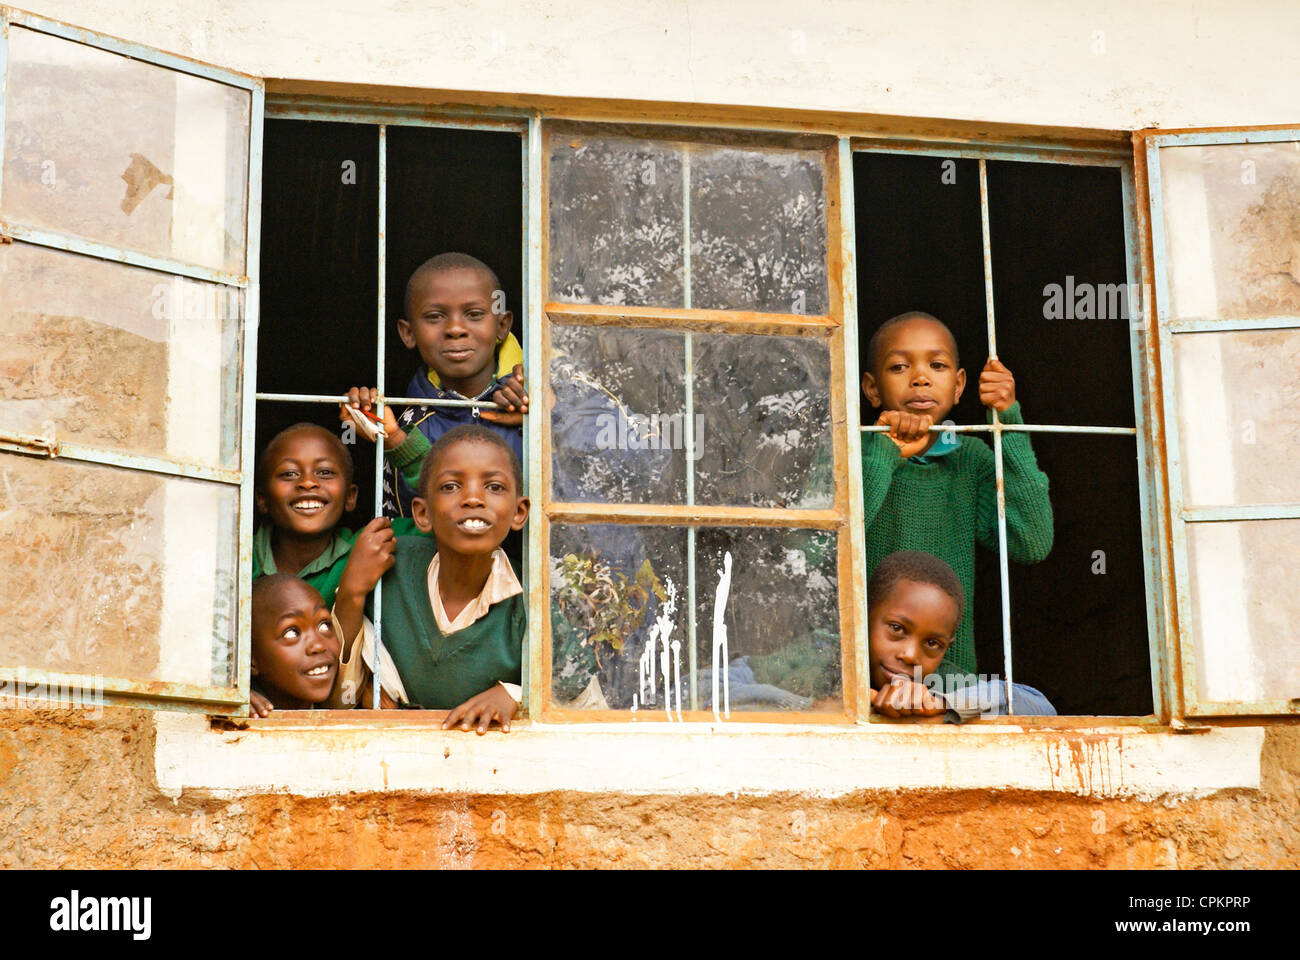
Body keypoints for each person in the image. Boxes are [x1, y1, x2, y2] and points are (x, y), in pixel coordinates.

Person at [861, 311, 1053, 678]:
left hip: (942, 677)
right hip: (847, 668)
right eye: (899, 367)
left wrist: (1007, 421)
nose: (920, 378)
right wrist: (881, 455)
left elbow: (1032, 541)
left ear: (959, 385)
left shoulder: (969, 461)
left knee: (1028, 705)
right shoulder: (851, 455)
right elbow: (817, 553)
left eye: (937, 365)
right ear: (871, 388)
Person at [333, 425, 529, 733]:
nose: (474, 498)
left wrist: (517, 695)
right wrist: (352, 593)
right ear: (422, 514)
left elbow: (570, 685)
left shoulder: (532, 596)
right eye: (451, 486)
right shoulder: (390, 569)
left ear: (519, 512)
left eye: (494, 487)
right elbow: (339, 699)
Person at [342, 252, 526, 521]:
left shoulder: (540, 399)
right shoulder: (408, 425)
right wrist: (395, 439)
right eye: (435, 316)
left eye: (474, 314)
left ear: (502, 325)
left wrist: (552, 418)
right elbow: (425, 518)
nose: (455, 329)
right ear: (408, 333)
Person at [867, 550, 1056, 721]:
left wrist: (943, 703)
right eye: (897, 629)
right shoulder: (838, 677)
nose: (910, 655)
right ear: (863, 618)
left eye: (932, 643)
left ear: (946, 648)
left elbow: (1042, 708)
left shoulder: (945, 682)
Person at [252, 423, 417, 607]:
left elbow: (447, 522)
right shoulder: (238, 557)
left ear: (350, 496)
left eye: (325, 472)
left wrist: (394, 438)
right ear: (262, 498)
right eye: (289, 473)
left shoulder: (372, 544)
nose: (307, 482)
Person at [248, 574, 340, 716]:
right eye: (291, 633)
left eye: (324, 625)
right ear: (251, 660)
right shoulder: (237, 720)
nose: (318, 645)